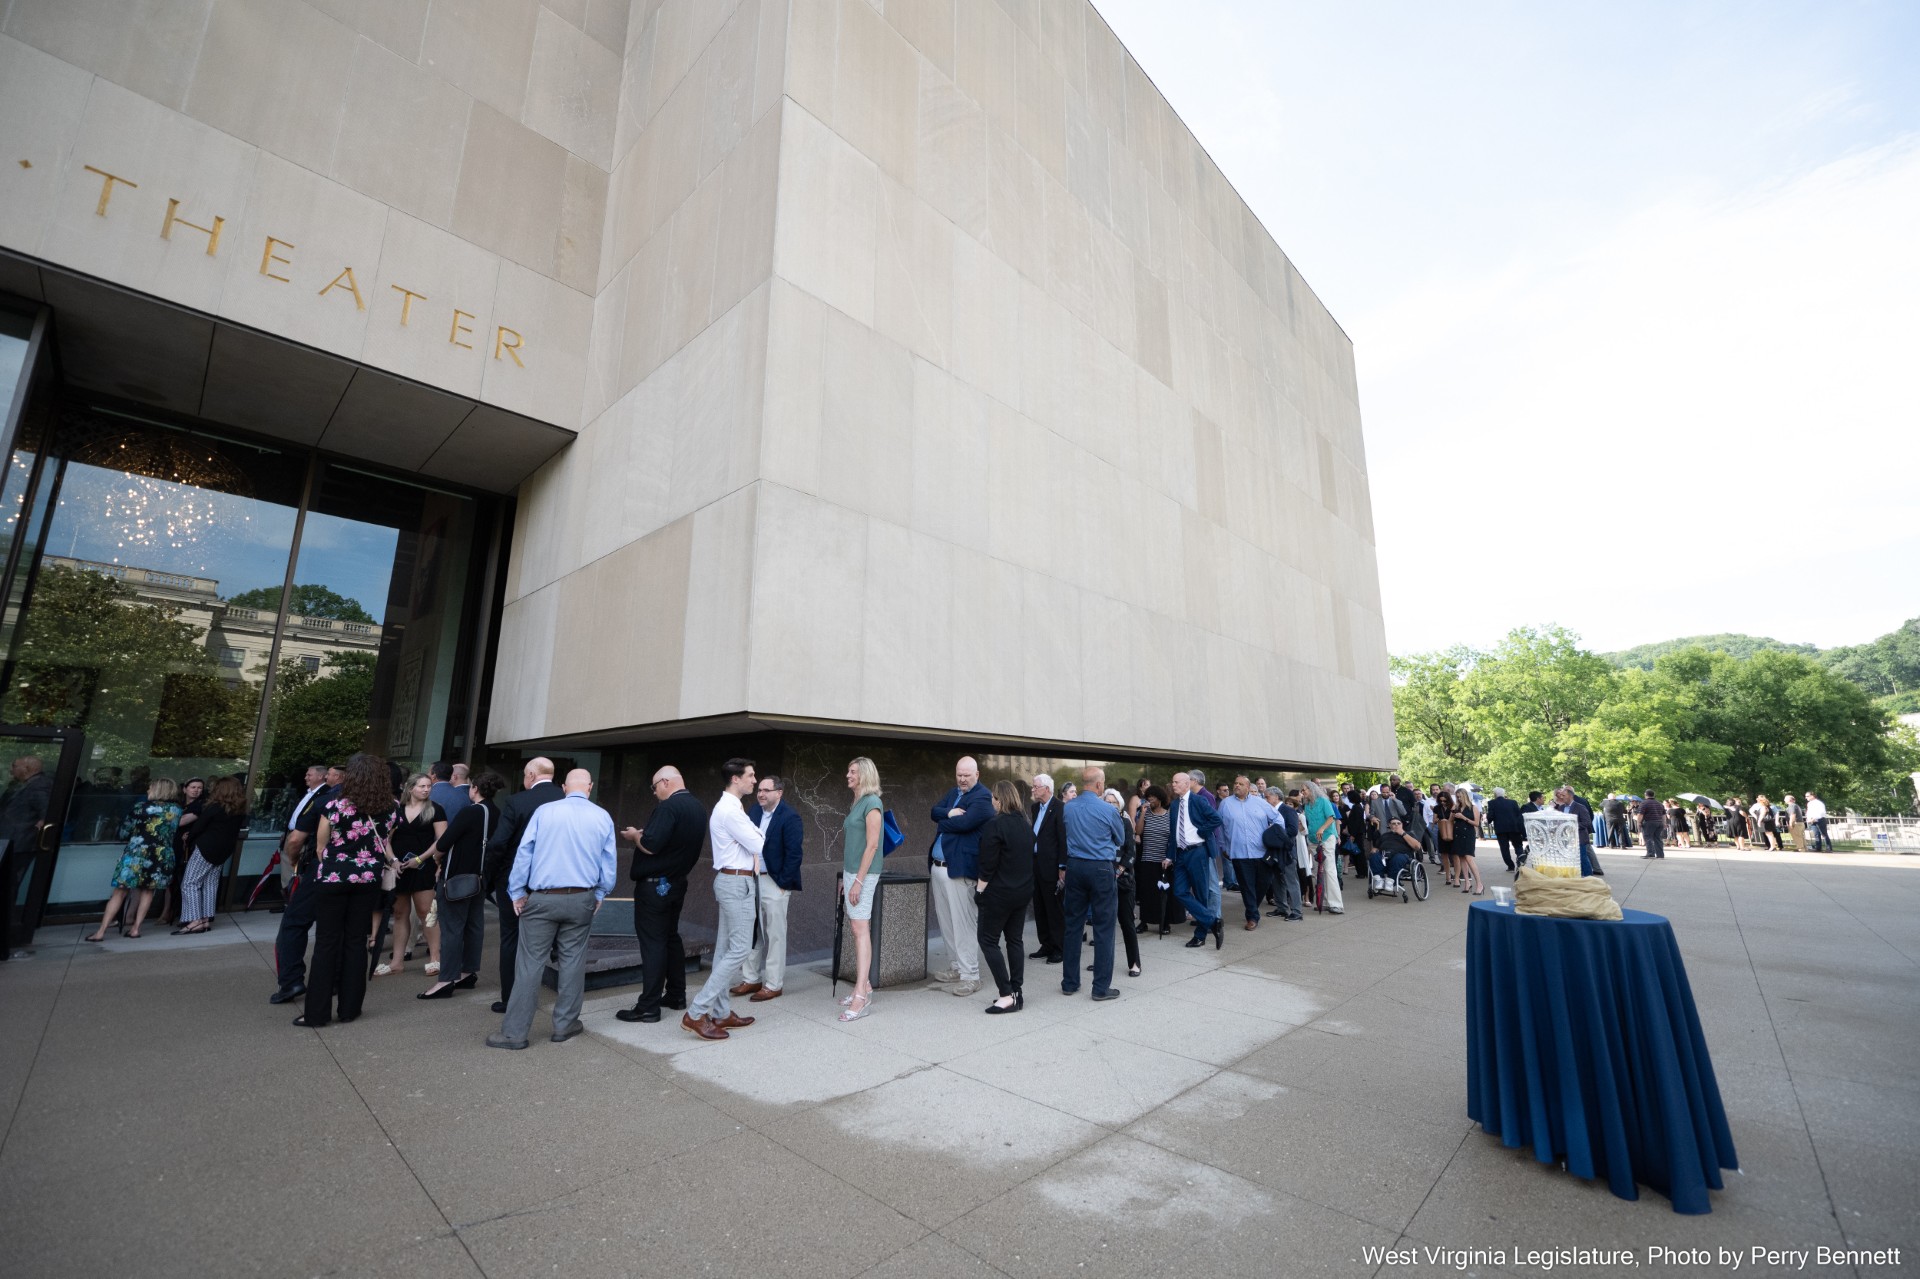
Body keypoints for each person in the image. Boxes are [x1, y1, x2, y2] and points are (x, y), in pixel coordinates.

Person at [486, 769, 618, 1050]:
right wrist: (601, 893)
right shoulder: (602, 816)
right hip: (582, 897)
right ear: (590, 788)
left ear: (564, 787)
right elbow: (609, 862)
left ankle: (514, 1034)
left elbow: (525, 853)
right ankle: (565, 1024)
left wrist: (517, 892)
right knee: (573, 962)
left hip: (543, 897)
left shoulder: (545, 812)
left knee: (529, 964)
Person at [296, 755, 399, 1028]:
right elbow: (386, 841)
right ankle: (349, 1009)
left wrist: (336, 861)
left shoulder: (334, 805)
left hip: (333, 878)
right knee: (356, 941)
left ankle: (316, 1013)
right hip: (368, 880)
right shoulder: (391, 807)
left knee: (327, 943)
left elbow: (320, 846)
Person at [682, 758, 766, 1041]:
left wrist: (753, 834)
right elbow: (758, 843)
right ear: (735, 779)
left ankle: (720, 1012)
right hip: (736, 882)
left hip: (734, 880)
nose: (754, 781)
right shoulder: (730, 811)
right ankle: (696, 1013)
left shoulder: (732, 808)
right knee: (740, 949)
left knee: (725, 950)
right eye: (751, 776)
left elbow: (753, 841)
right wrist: (755, 833)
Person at [615, 766, 707, 1024]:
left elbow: (652, 845)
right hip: (677, 883)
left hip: (655, 886)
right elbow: (671, 840)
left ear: (665, 782)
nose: (654, 792)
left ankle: (648, 1007)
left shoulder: (668, 807)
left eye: (654, 787)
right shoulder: (697, 807)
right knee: (670, 938)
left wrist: (635, 836)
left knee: (653, 943)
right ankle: (676, 995)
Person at [483, 759, 564, 1014]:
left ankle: (511, 998)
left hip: (515, 880)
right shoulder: (567, 800)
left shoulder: (517, 802)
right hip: (557, 881)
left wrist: (488, 878)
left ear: (530, 774)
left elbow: (498, 844)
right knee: (552, 938)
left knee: (511, 939)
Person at [418, 770, 506, 999]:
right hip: (481, 878)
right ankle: (468, 971)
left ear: (475, 789)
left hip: (458, 877)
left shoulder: (470, 812)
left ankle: (446, 979)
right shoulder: (497, 813)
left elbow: (444, 841)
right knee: (474, 925)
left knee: (452, 929)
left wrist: (437, 858)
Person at [270, 765, 337, 1004]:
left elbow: (297, 838)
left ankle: (291, 980)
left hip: (319, 870)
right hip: (355, 876)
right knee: (337, 930)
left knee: (294, 924)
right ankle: (334, 980)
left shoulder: (326, 801)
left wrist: (295, 861)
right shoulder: (379, 804)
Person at [84, 778, 181, 941]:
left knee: (120, 891)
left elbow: (125, 830)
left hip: (137, 853)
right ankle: (136, 928)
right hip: (161, 854)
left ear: (157, 790)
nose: (148, 790)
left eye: (150, 787)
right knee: (148, 891)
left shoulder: (141, 807)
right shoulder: (177, 810)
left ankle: (101, 931)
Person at [1057, 767, 1124, 1001]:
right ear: (1098, 785)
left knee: (1073, 925)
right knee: (1104, 927)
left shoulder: (1068, 808)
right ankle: (1100, 988)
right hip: (1100, 868)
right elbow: (1120, 838)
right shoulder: (1107, 809)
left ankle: (1070, 982)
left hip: (1075, 867)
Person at [927, 756, 992, 996]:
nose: (962, 779)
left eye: (967, 775)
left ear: (977, 774)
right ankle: (956, 967)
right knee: (947, 922)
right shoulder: (953, 793)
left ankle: (970, 975)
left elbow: (964, 824)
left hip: (960, 870)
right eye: (959, 774)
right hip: (939, 867)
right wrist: (949, 813)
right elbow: (934, 811)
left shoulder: (983, 797)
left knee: (963, 925)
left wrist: (945, 819)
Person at [735, 773, 802, 1003]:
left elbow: (795, 855)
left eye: (766, 790)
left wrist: (783, 883)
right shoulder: (752, 812)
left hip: (775, 883)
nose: (760, 794)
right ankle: (751, 979)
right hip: (752, 879)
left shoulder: (790, 817)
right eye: (759, 790)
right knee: (751, 931)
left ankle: (773, 984)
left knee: (775, 934)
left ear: (779, 793)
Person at [974, 779, 1035, 1012]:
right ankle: (1016, 992)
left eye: (993, 797)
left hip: (998, 895)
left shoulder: (995, 825)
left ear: (999, 800)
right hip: (1022, 893)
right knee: (1014, 940)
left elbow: (987, 866)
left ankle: (1006, 994)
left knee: (988, 940)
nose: (992, 801)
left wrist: (979, 891)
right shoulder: (1025, 824)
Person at [379, 773, 446, 977]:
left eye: (428, 786)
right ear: (410, 788)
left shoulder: (435, 809)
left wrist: (422, 858)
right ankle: (397, 961)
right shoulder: (396, 810)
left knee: (426, 912)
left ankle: (436, 959)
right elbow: (385, 839)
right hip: (398, 868)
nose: (426, 789)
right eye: (422, 786)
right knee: (399, 913)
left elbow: (442, 839)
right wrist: (393, 861)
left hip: (422, 867)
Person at [838, 757, 885, 1023]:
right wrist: (847, 877)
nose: (848, 775)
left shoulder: (872, 803)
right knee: (858, 929)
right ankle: (864, 986)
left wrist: (858, 881)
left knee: (860, 930)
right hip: (854, 873)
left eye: (853, 771)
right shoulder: (858, 802)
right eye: (848, 770)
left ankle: (861, 995)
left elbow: (872, 846)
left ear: (865, 775)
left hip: (864, 875)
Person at [174, 777, 247, 935]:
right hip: (224, 850)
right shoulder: (239, 809)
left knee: (189, 883)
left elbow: (199, 826)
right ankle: (206, 919)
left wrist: (189, 837)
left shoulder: (215, 807)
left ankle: (194, 921)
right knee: (210, 884)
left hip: (206, 848)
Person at [1167, 772, 1225, 946]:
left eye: (1176, 782)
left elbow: (1216, 819)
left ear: (1187, 784)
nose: (1173, 785)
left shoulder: (1199, 801)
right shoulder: (1175, 804)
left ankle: (1200, 936)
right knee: (1179, 891)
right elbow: (1173, 832)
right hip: (1181, 853)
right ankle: (1212, 920)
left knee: (1201, 894)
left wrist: (1201, 831)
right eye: (1173, 782)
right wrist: (1169, 856)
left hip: (1197, 852)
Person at [1218, 775, 1280, 930]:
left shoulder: (1260, 803)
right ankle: (1252, 916)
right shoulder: (1225, 804)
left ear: (1247, 787)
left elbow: (1278, 820)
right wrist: (1223, 847)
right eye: (1235, 783)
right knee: (1246, 886)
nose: (1237, 786)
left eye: (1240, 784)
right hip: (1239, 853)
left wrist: (1274, 838)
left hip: (1262, 852)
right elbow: (1219, 827)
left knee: (1263, 884)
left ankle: (1252, 907)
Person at [1103, 787, 1142, 978]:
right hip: (1103, 878)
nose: (1110, 805)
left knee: (1126, 922)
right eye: (1106, 801)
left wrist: (1118, 871)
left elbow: (1131, 852)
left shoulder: (1125, 821)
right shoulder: (1099, 821)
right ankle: (1102, 962)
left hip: (1123, 880)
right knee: (1104, 925)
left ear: (1119, 804)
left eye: (1113, 802)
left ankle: (1134, 963)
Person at [1028, 773, 1066, 963]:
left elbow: (1063, 839)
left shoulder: (1059, 808)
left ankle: (1059, 947)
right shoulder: (1035, 807)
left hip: (1052, 866)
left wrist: (1062, 866)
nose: (1033, 790)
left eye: (1036, 787)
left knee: (1054, 908)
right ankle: (1046, 944)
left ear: (1047, 789)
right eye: (1033, 787)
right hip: (1035, 864)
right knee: (1039, 906)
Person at [1135, 785, 1173, 933]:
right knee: (1146, 893)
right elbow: (1138, 831)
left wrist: (1170, 857)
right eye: (1148, 797)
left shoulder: (1169, 815)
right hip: (1147, 859)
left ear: (1160, 798)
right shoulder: (1146, 813)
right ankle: (1144, 921)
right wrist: (1143, 814)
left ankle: (1164, 922)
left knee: (1162, 893)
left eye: (1153, 798)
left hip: (1163, 861)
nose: (1150, 800)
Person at [1262, 787, 1303, 921]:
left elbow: (1292, 830)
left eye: (1267, 797)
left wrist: (1274, 831)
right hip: (1273, 851)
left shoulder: (1288, 810)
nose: (1265, 799)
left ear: (1276, 797)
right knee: (1277, 880)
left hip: (1286, 852)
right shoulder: (1268, 811)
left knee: (1291, 881)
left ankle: (1297, 911)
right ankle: (1282, 908)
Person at [1302, 781, 1343, 913]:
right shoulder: (1307, 805)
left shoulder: (1324, 801)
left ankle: (1336, 904)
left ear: (1312, 789)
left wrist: (1321, 828)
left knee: (1329, 870)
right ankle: (1325, 901)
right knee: (1318, 872)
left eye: (1304, 790)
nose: (1303, 792)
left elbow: (1331, 818)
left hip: (1326, 838)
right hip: (1314, 840)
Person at [1552, 786, 1599, 876]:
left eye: (1564, 795)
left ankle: (1588, 878)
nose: (1562, 797)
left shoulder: (1580, 807)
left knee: (1582, 859)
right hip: (1565, 839)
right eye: (1561, 795)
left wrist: (1572, 826)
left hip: (1579, 838)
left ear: (1570, 796)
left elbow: (1587, 822)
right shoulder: (1561, 808)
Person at [1371, 818, 1421, 891]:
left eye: (1398, 823)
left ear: (1402, 825)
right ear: (1390, 825)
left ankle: (1391, 880)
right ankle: (1379, 879)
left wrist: (1403, 834)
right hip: (1384, 856)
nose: (1396, 825)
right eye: (1394, 823)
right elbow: (1376, 847)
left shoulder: (1409, 834)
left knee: (1398, 858)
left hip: (1401, 855)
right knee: (1374, 856)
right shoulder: (1385, 835)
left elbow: (1417, 846)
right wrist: (1374, 849)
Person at [1452, 788, 1485, 893]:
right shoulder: (1456, 807)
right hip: (1457, 834)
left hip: (1468, 834)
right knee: (1461, 858)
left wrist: (1463, 817)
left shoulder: (1473, 807)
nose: (1458, 798)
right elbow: (1451, 821)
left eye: (1460, 796)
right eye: (1457, 797)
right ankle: (1467, 882)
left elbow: (1476, 823)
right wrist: (1453, 812)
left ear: (1465, 796)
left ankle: (1479, 884)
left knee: (1469, 858)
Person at [1484, 787, 1524, 873]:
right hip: (1514, 828)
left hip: (1501, 829)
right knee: (1518, 846)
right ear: (1504, 794)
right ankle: (1521, 863)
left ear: (1495, 795)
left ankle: (1510, 866)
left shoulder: (1492, 803)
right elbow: (1519, 815)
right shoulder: (1513, 802)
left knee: (1504, 848)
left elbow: (1490, 816)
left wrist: (1489, 819)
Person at [1639, 790, 1666, 860]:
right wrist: (1664, 823)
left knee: (1648, 838)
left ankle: (1650, 853)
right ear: (1653, 795)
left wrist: (1639, 822)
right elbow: (1664, 815)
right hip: (1659, 822)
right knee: (1658, 838)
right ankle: (1660, 855)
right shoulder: (1660, 804)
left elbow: (1641, 814)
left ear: (1646, 795)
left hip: (1649, 822)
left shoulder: (1644, 803)